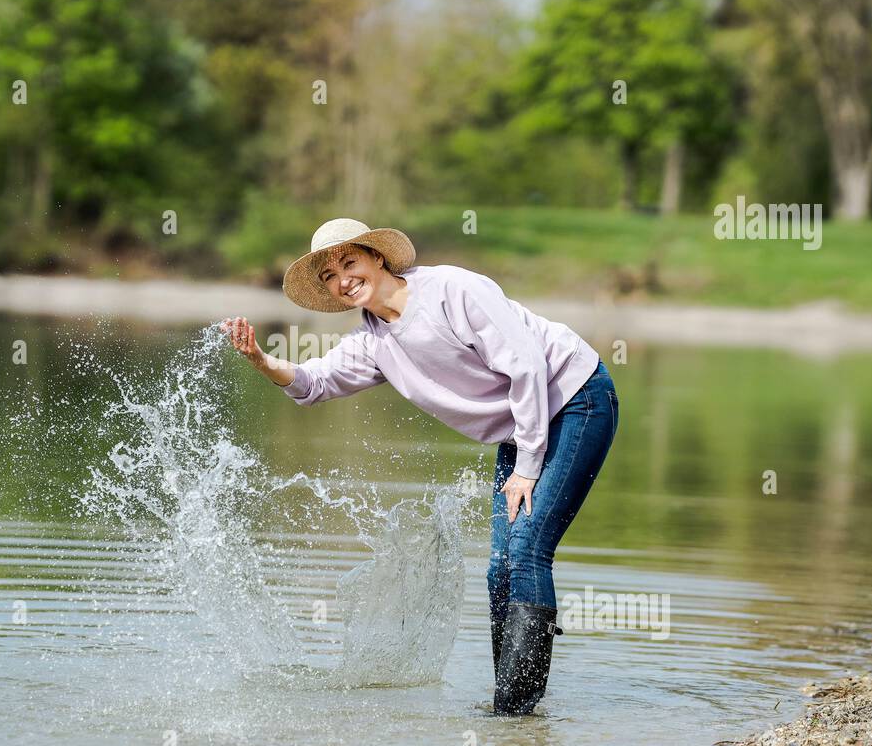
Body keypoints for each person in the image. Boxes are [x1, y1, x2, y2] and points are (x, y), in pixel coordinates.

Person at [220, 218, 618, 714]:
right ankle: (514, 712)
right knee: (500, 568)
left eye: (349, 263)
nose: (343, 279)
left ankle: (517, 707)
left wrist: (528, 467)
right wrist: (260, 359)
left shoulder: (453, 290)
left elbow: (527, 367)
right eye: (329, 276)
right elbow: (314, 383)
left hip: (574, 397)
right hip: (524, 424)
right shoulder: (373, 342)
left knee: (528, 549)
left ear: (377, 258)